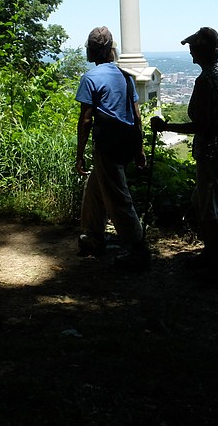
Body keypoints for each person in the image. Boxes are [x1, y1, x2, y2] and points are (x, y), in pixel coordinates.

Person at [150, 27, 218, 285]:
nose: (191, 55)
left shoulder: (205, 81)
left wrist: (166, 127)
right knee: (203, 201)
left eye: (193, 50)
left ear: (202, 51)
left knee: (209, 209)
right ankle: (210, 254)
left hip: (212, 152)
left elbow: (201, 125)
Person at [75, 26, 148, 270]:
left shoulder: (90, 79)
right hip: (126, 142)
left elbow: (85, 120)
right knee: (96, 188)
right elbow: (135, 116)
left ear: (91, 51)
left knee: (118, 198)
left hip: (106, 144)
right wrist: (139, 150)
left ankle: (138, 250)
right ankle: (92, 237)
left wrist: (79, 155)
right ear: (111, 51)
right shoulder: (125, 76)